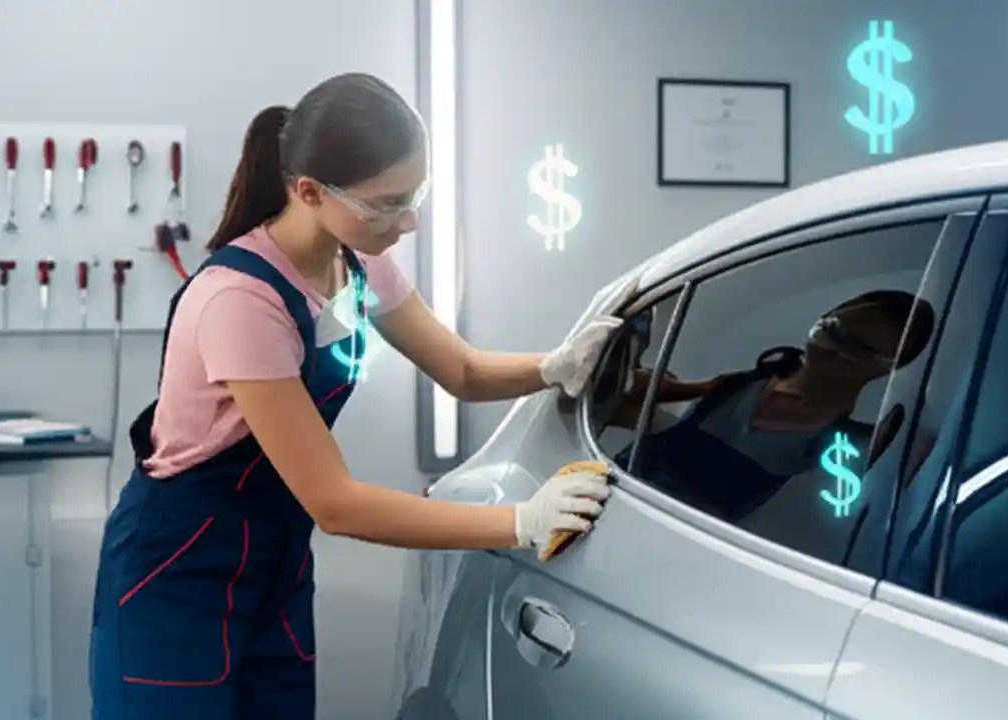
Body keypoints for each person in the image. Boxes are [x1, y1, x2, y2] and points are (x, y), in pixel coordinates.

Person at [88, 72, 620, 720]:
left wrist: (559, 365)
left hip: (275, 563)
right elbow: (336, 503)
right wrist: (520, 523)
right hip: (179, 569)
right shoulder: (241, 300)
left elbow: (462, 369)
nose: (410, 220)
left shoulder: (358, 263)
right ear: (310, 191)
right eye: (388, 203)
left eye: (415, 194)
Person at [608, 289, 935, 520]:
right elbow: (625, 397)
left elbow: (916, 457)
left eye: (859, 350)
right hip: (612, 501)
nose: (835, 349)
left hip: (686, 546)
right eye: (833, 330)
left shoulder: (842, 449)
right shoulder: (740, 384)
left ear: (890, 367)